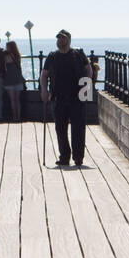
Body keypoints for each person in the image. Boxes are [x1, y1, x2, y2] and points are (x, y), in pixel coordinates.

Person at [41, 29, 92, 166]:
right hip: (58, 96)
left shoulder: (78, 55)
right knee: (60, 128)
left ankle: (78, 157)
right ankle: (64, 156)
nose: (60, 41)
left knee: (78, 128)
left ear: (69, 40)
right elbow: (44, 74)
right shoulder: (52, 56)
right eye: (58, 39)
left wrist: (86, 88)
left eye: (63, 39)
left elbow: (88, 70)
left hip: (77, 96)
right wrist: (44, 90)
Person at [4, 41, 26, 122]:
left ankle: (14, 117)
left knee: (13, 100)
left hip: (10, 80)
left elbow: (5, 62)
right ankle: (19, 116)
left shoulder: (7, 56)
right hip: (18, 79)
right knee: (18, 100)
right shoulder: (17, 55)